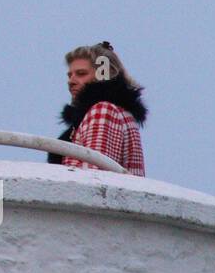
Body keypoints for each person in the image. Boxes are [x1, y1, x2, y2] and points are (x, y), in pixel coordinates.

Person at [48, 41, 147, 175]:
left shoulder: (103, 110)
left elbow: (95, 179)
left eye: (81, 73)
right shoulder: (110, 111)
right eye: (69, 75)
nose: (71, 81)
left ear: (104, 75)